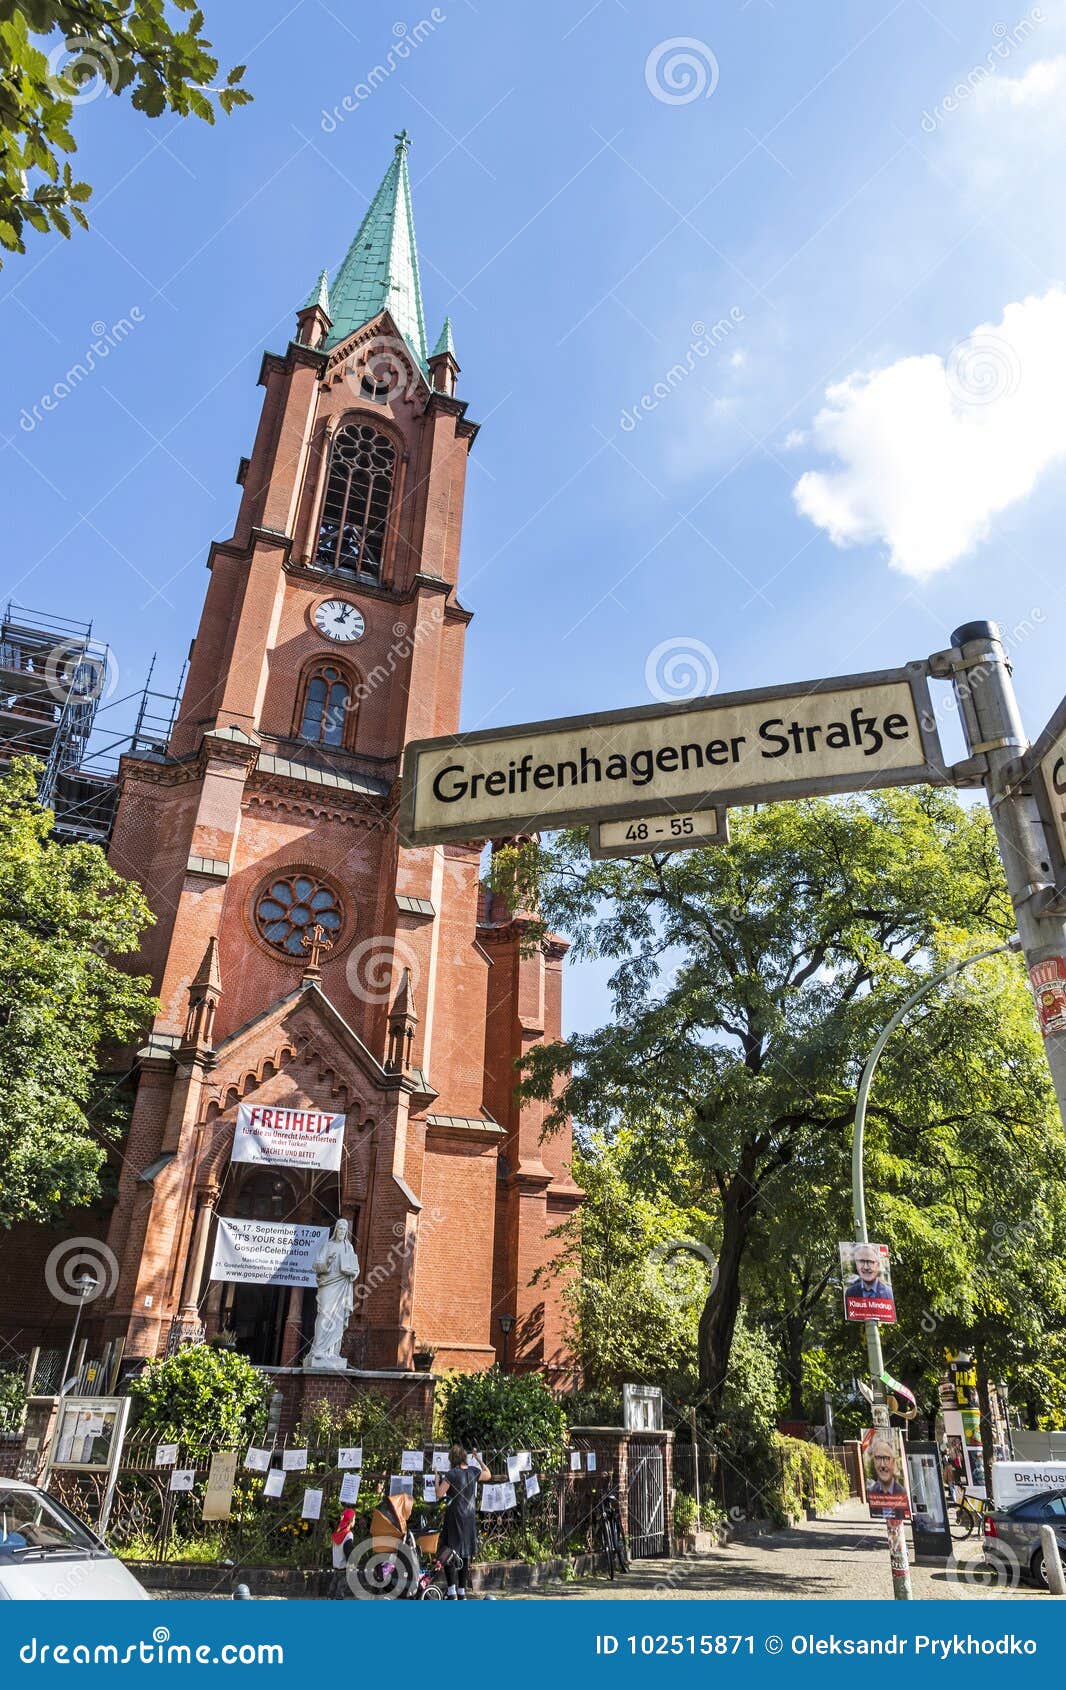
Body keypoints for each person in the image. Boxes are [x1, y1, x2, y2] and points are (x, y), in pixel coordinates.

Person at [436, 1443, 490, 1599]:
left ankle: (452, 1591)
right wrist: (478, 1458)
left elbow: (440, 1494)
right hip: (469, 1518)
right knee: (465, 1553)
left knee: (448, 1551)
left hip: (454, 1517)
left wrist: (436, 1478)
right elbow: (488, 1474)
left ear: (452, 1458)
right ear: (464, 1457)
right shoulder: (473, 1471)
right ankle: (462, 1591)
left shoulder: (452, 1474)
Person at [330, 1506, 356, 1599]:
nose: (355, 1521)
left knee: (332, 1588)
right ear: (351, 1520)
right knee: (340, 1591)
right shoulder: (348, 1535)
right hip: (344, 1568)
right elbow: (348, 1551)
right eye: (354, 1519)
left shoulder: (337, 1532)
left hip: (336, 1566)